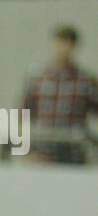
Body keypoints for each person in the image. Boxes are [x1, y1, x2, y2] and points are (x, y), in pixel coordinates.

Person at [21, 25, 98, 164]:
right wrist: (26, 150)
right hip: (42, 151)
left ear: (74, 47)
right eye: (60, 42)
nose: (63, 48)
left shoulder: (85, 81)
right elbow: (23, 114)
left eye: (68, 44)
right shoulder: (37, 78)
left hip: (73, 152)